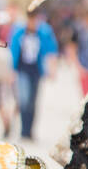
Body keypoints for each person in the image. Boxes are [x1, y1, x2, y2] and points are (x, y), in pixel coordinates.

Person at [9, 10, 58, 141]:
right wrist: (11, 71)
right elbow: (13, 50)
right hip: (22, 69)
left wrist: (52, 69)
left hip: (36, 70)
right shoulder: (19, 31)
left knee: (33, 101)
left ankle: (30, 130)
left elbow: (51, 50)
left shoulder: (44, 32)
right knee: (24, 99)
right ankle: (24, 130)